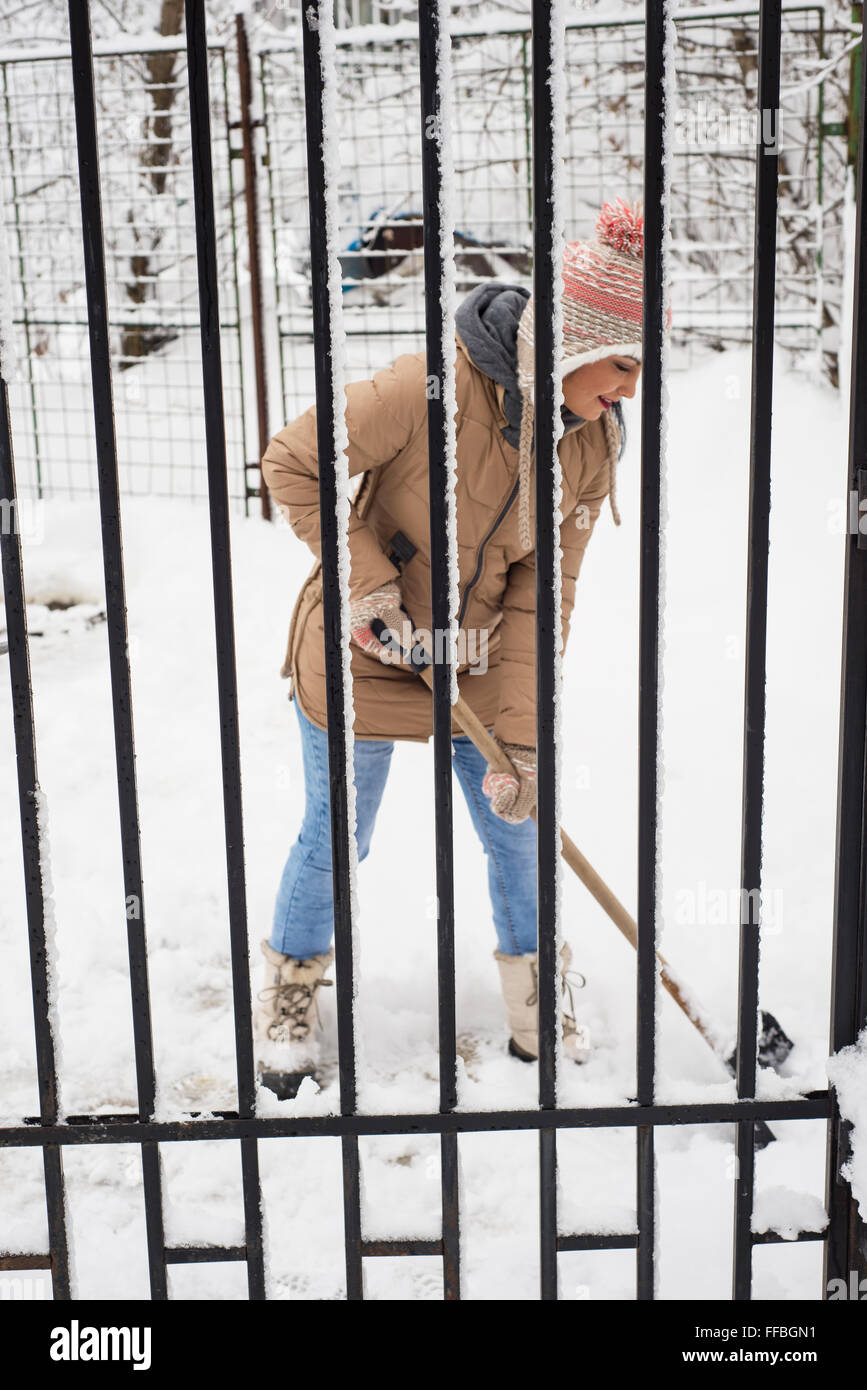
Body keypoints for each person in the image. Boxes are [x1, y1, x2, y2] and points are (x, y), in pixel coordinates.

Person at [255, 197, 645, 1084]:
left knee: (516, 827)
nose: (627, 390)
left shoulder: (590, 446)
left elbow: (544, 596)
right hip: (366, 643)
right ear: (572, 346)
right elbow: (291, 458)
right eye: (619, 365)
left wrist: (521, 740)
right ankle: (290, 985)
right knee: (337, 834)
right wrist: (368, 581)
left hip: (472, 661)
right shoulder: (424, 390)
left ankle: (536, 998)